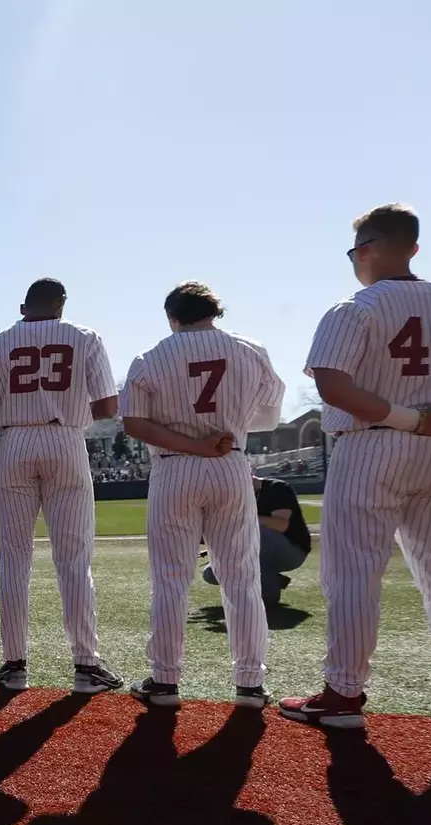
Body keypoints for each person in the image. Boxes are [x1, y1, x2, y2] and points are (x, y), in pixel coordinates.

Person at [281, 203, 431, 732]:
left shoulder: (354, 308)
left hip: (373, 445)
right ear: (413, 248)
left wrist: (411, 417)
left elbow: (333, 387)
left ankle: (342, 694)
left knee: (354, 571)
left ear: (366, 249)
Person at [120, 281, 285, 709]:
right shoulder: (250, 349)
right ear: (215, 312)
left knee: (171, 579)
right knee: (241, 578)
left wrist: (193, 442)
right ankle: (250, 683)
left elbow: (134, 423)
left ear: (172, 316)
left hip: (174, 467)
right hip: (231, 462)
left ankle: (165, 680)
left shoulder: (150, 357)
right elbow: (269, 417)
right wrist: (225, 427)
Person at [0, 280, 125, 692]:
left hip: (14, 442)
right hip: (65, 441)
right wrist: (67, 406)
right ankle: (86, 665)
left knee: (13, 560)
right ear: (61, 304)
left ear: (23, 307)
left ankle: (14, 664)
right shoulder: (85, 337)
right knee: (74, 559)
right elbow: (108, 406)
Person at [202, 475, 310, 609]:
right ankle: (270, 578)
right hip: (256, 549)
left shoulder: (278, 488)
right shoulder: (235, 498)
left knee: (258, 535)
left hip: (292, 550)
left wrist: (246, 519)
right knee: (211, 573)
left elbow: (281, 525)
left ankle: (267, 594)